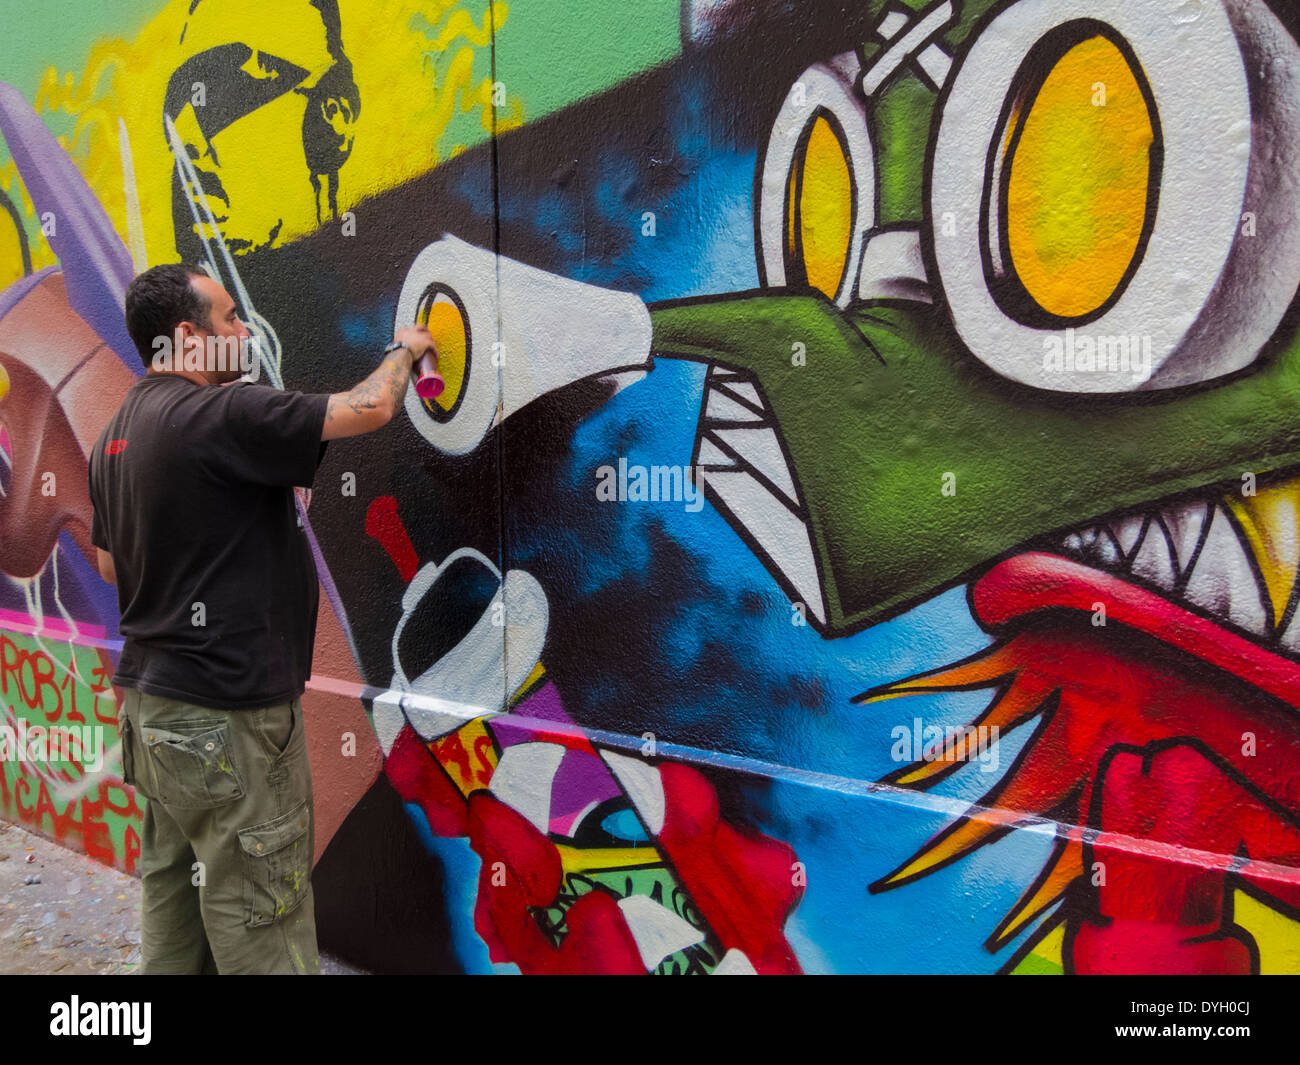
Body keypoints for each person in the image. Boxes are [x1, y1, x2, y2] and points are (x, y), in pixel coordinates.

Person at [88, 262, 434, 974]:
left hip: (152, 714)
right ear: (188, 337)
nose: (244, 329)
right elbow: (367, 407)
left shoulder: (115, 437)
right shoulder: (224, 414)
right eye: (228, 318)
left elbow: (107, 568)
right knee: (262, 925)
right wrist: (406, 348)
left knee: (174, 910)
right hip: (227, 723)